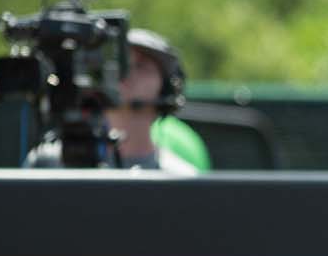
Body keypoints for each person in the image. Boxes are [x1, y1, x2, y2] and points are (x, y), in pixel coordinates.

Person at [24, 29, 203, 172]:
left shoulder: (179, 178)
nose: (127, 74)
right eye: (119, 63)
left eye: (141, 66)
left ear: (166, 87)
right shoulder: (49, 164)